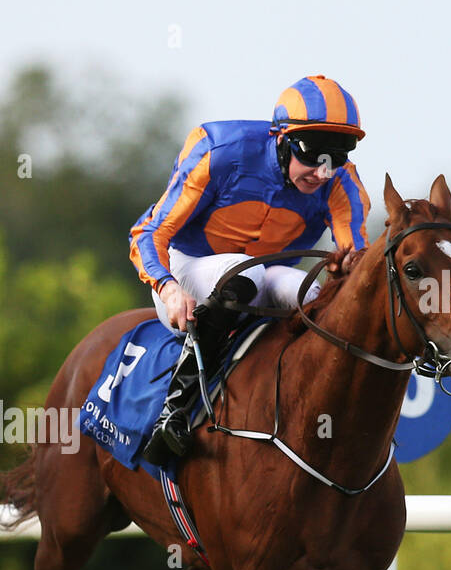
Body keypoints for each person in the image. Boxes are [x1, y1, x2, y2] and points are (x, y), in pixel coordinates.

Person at [129, 75, 372, 465]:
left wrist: (350, 271)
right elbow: (148, 232)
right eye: (312, 154)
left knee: (315, 298)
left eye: (337, 156)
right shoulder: (219, 151)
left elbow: (358, 262)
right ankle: (172, 412)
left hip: (264, 274)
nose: (323, 172)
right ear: (282, 138)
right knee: (248, 273)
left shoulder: (343, 184)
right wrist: (169, 289)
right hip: (189, 268)